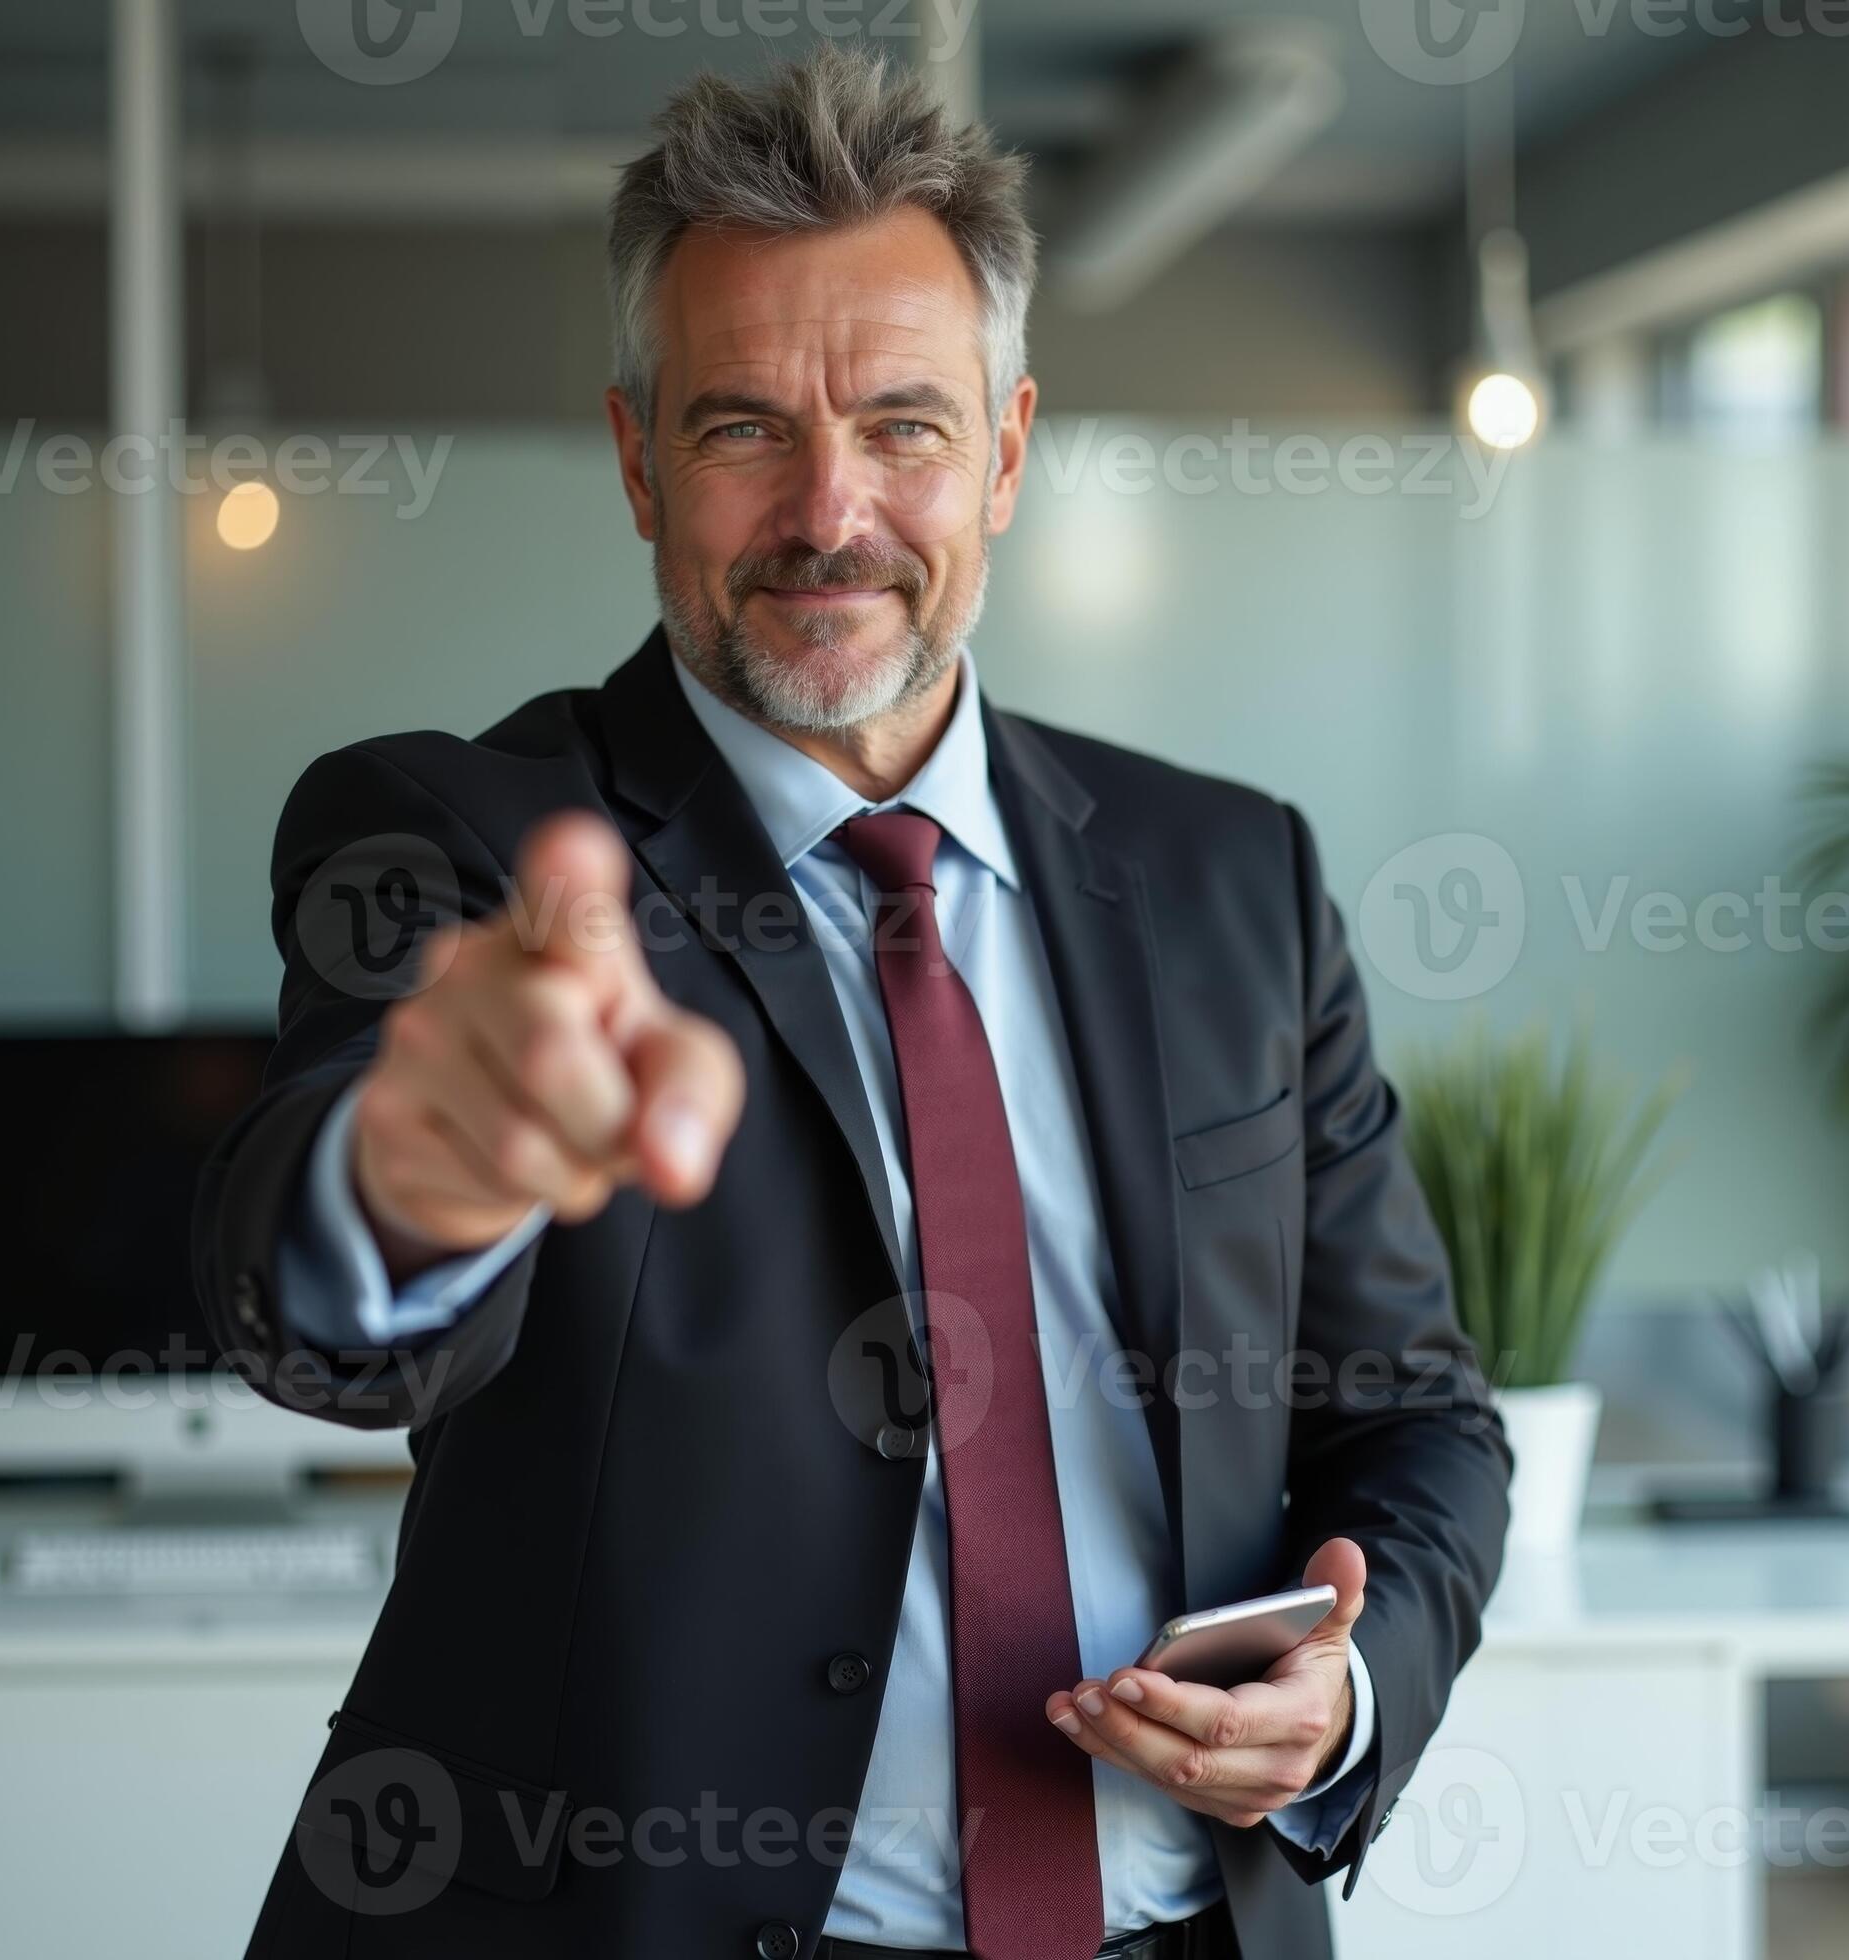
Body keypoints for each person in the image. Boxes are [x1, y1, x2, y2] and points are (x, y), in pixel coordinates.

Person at [196, 45, 1509, 1960]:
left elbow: (1416, 1420)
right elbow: (318, 1315)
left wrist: (1350, 1693)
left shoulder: (1236, 879)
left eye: (903, 424)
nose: (832, 512)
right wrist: (412, 1175)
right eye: (743, 430)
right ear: (640, 455)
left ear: (1008, 448)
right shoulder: (463, 841)